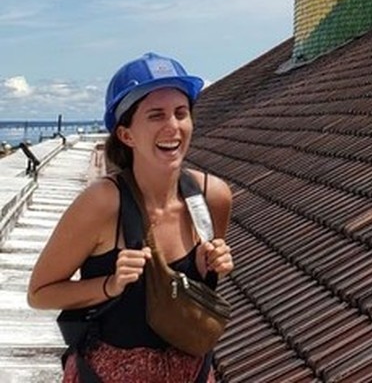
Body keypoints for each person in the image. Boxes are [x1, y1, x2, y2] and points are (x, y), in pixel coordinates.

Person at [28, 53, 234, 383]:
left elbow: (193, 296)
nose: (173, 126)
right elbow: (40, 293)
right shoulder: (102, 203)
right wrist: (110, 285)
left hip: (192, 373)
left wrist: (207, 266)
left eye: (181, 113)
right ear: (127, 135)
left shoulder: (212, 197)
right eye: (156, 115)